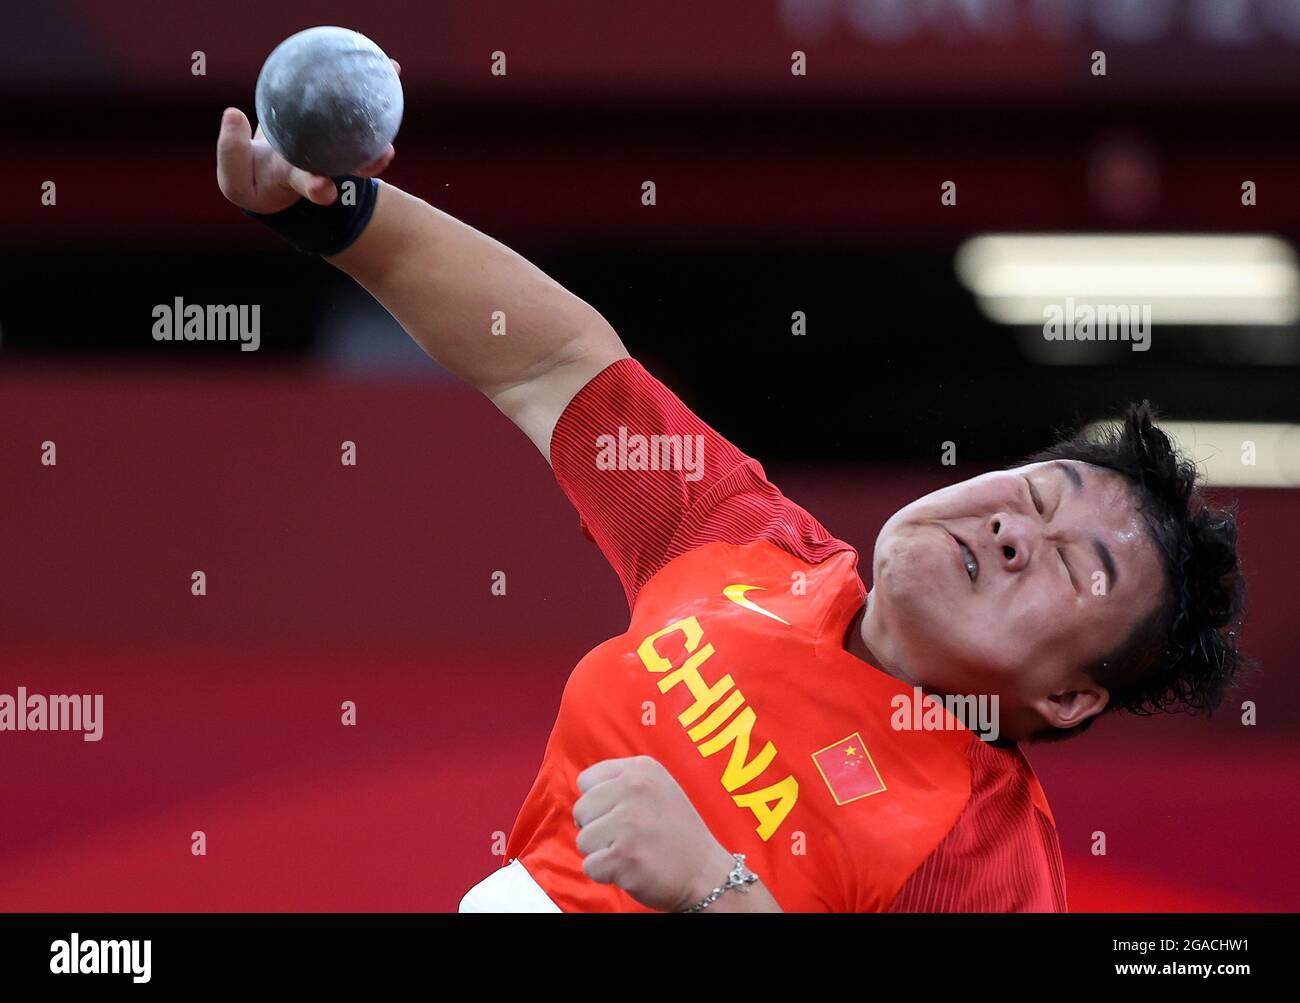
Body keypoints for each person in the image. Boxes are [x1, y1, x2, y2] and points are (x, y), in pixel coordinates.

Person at [215, 87, 1247, 913]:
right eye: (1033, 490)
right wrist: (337, 213)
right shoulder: (741, 540)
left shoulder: (981, 860)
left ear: (1069, 697)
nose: (1016, 531)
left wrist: (720, 893)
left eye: (1075, 564)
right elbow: (551, 361)